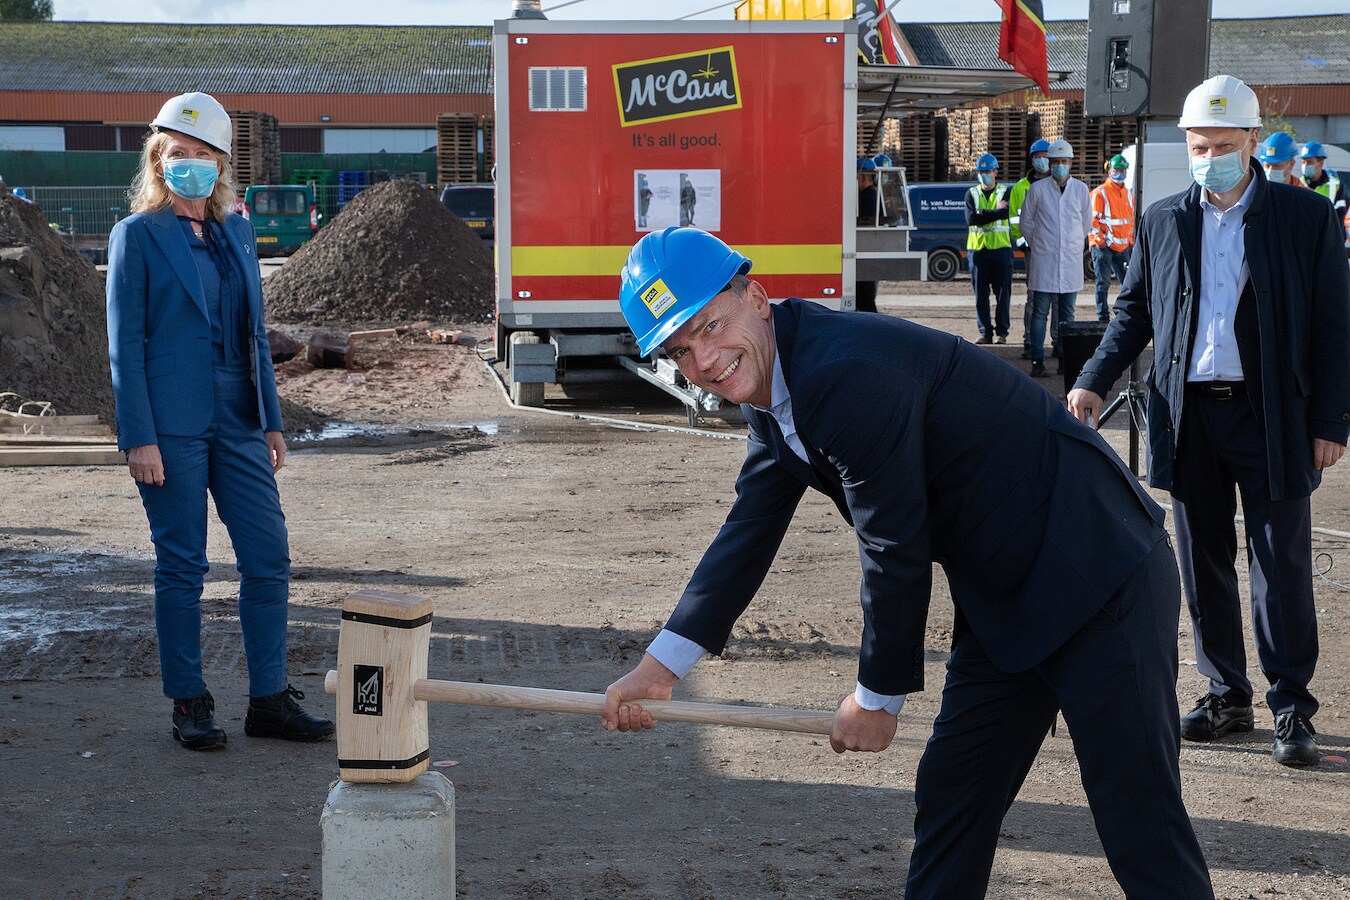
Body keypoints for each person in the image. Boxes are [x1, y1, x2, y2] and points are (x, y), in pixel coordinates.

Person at [602, 225, 1215, 899]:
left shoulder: (841, 373)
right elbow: (746, 532)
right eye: (681, 351)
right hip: (1007, 594)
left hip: (1100, 571)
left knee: (1138, 819)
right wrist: (659, 670)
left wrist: (876, 697)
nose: (705, 360)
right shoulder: (778, 395)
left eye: (710, 326)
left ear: (757, 295)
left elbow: (893, 544)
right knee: (956, 793)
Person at [1068, 75, 1350, 769]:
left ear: (1254, 141)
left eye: (1225, 144)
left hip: (1272, 417)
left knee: (1280, 564)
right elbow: (1132, 312)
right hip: (1188, 415)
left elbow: (1334, 328)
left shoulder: (1303, 218)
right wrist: (1091, 382)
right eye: (1200, 145)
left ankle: (1291, 705)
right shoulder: (1164, 219)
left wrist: (1331, 422)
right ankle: (1227, 693)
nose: (1211, 156)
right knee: (1202, 562)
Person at [106, 91, 334, 751]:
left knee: (268, 558)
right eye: (179, 154)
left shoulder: (236, 230)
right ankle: (190, 702)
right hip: (170, 427)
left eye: (203, 155)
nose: (191, 165)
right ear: (158, 160)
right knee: (183, 564)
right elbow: (127, 346)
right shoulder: (137, 237)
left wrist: (270, 421)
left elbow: (255, 334)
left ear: (221, 164)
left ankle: (268, 700)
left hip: (240, 418)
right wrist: (138, 437)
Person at [1020, 139, 1091, 378]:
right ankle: (1037, 359)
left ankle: (1063, 356)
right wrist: (1040, 243)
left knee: (1067, 314)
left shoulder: (1080, 190)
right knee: (1040, 311)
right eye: (1056, 162)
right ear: (1050, 164)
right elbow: (1026, 223)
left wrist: (1071, 243)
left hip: (1070, 260)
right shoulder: (1037, 189)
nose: (1060, 166)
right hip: (1044, 258)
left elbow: (1085, 223)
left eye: (1064, 161)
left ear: (1070, 163)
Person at [964, 152, 1012, 344]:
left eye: (988, 171)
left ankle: (1002, 332)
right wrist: (995, 213)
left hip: (1001, 250)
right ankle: (985, 332)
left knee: (1003, 295)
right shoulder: (971, 193)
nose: (984, 174)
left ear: (995, 172)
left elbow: (1006, 213)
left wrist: (982, 213)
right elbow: (971, 219)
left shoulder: (1005, 191)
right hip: (977, 252)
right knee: (980, 296)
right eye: (981, 171)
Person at [1011, 138, 1052, 359]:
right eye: (1038, 157)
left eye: (1045, 157)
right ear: (1032, 160)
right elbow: (1014, 219)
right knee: (1034, 296)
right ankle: (1030, 342)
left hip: (1054, 250)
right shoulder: (1020, 188)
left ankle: (1058, 343)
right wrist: (1022, 240)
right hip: (1032, 250)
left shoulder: (1057, 184)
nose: (1042, 161)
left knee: (1057, 297)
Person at [1088, 154, 1135, 322]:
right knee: (1103, 284)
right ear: (1109, 171)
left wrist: (1129, 242)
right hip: (1104, 247)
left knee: (1128, 284)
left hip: (1123, 247)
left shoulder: (1129, 194)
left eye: (1123, 170)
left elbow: (1130, 220)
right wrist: (1100, 243)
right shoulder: (1099, 193)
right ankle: (1102, 316)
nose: (1120, 174)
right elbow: (1092, 221)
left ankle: (1125, 313)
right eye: (1116, 170)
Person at [1299, 140, 1347, 241]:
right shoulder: (1299, 184)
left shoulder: (1335, 184)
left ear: (1320, 162)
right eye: (1303, 161)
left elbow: (1340, 216)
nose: (1305, 165)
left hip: (1329, 239)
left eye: (1310, 162)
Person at [855, 156, 879, 313]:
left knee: (865, 297)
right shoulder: (871, 194)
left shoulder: (867, 197)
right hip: (867, 252)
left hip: (865, 250)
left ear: (863, 177)